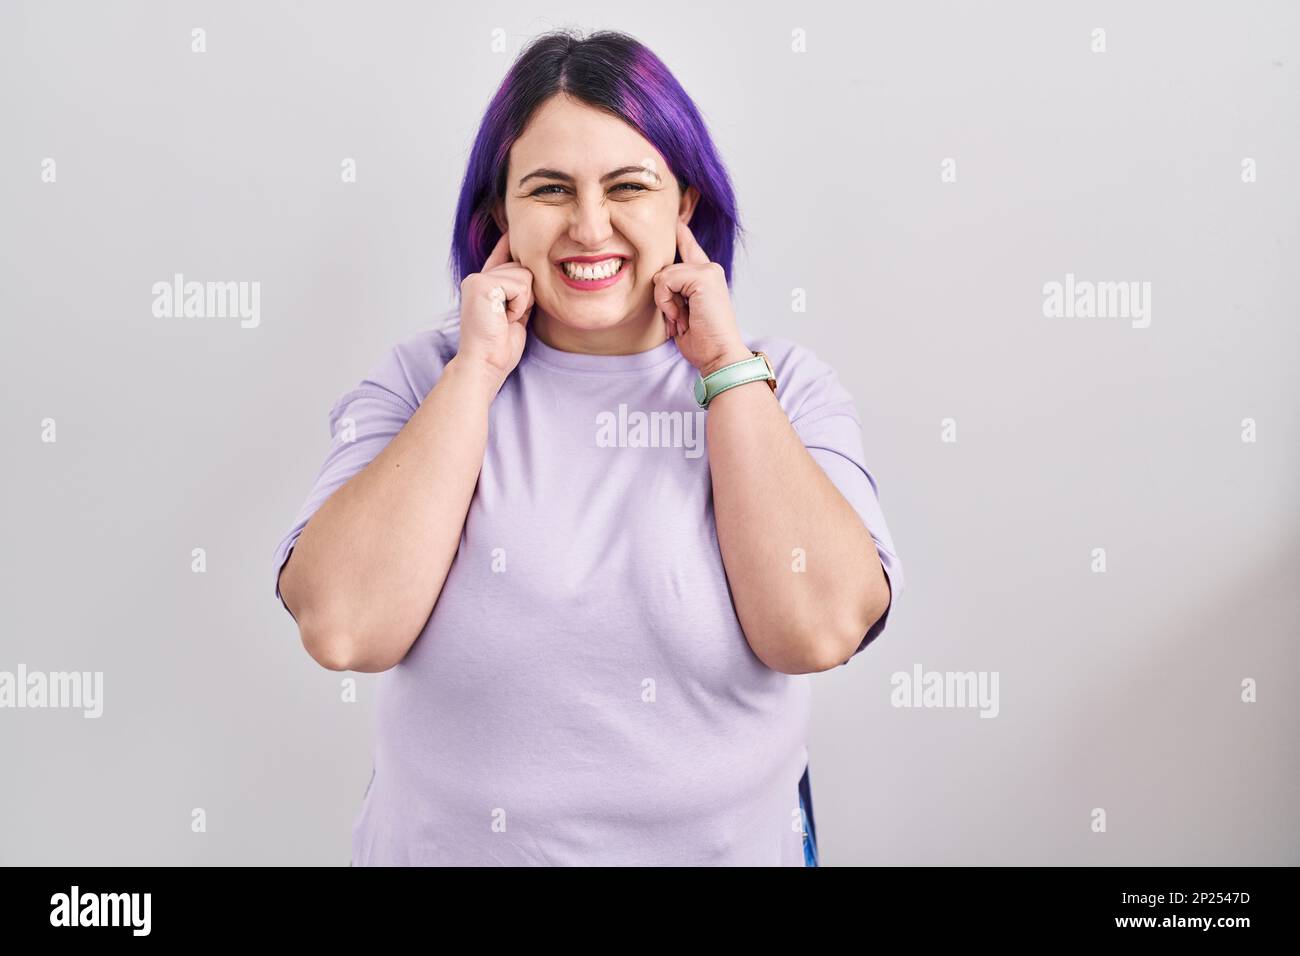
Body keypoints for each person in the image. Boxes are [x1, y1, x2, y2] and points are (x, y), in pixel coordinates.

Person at [272, 29, 904, 866]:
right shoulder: (423, 380)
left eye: (628, 186)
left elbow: (818, 631)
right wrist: (478, 372)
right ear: (500, 212)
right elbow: (344, 628)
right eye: (549, 189)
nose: (589, 225)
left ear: (684, 203)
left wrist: (724, 368)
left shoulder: (781, 383)